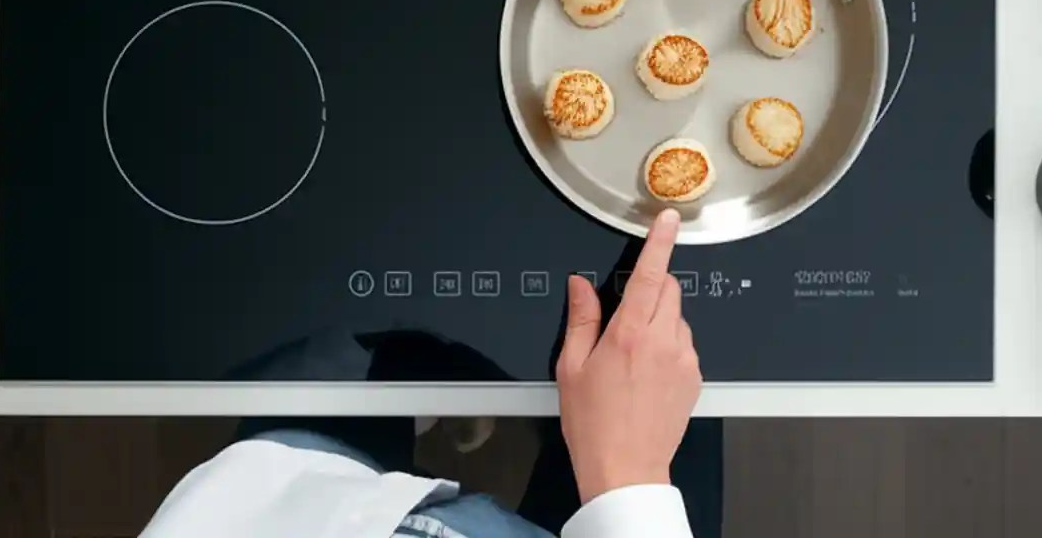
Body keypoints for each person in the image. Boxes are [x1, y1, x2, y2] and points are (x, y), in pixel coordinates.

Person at [140, 209, 702, 537]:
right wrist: (628, 478)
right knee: (670, 368)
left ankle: (429, 373)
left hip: (295, 512)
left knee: (374, 367)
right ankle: (563, 425)